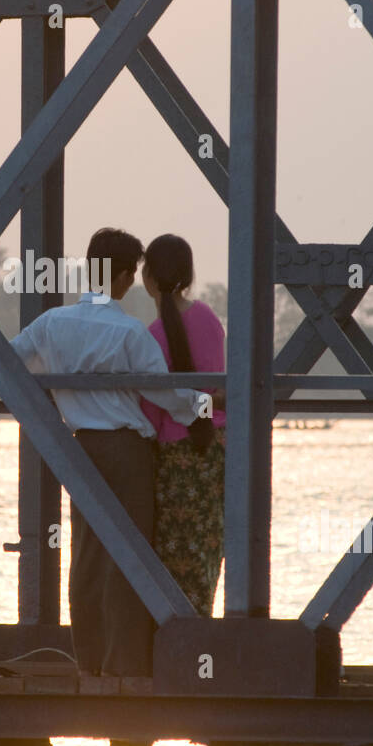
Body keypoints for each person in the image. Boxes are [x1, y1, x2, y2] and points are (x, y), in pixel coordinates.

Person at [0, 229, 210, 729]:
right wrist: (208, 403)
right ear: (126, 276)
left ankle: (90, 664)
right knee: (130, 560)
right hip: (127, 450)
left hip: (79, 450)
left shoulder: (53, 324)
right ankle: (126, 669)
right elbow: (167, 395)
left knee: (85, 557)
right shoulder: (127, 334)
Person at [140, 234, 226, 617]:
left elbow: (152, 412)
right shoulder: (207, 318)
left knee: (171, 556)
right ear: (189, 275)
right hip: (215, 448)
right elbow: (218, 386)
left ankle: (177, 639)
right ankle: (202, 636)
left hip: (174, 457)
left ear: (148, 278)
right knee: (206, 550)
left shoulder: (150, 338)